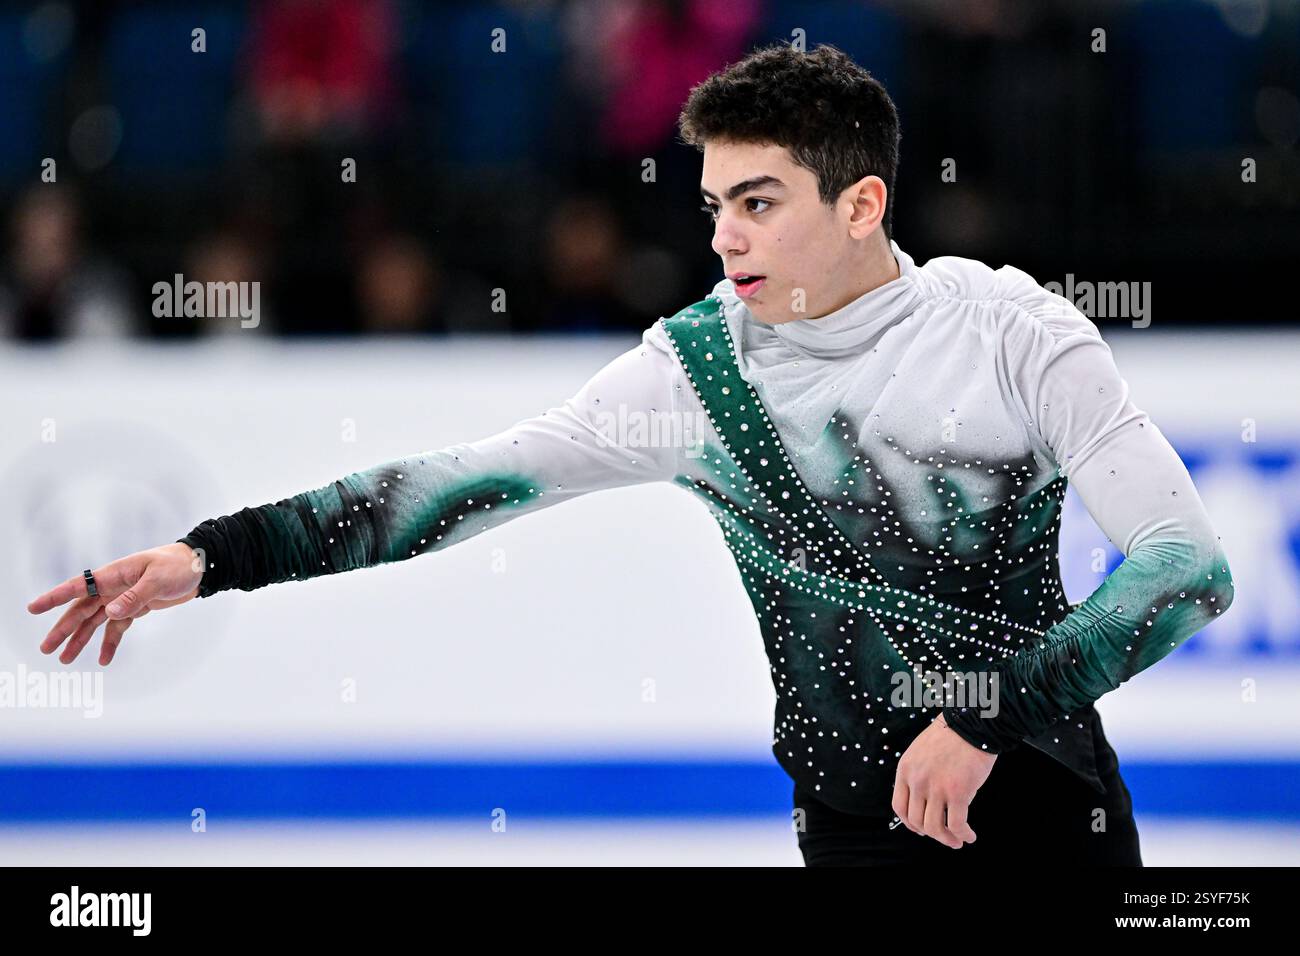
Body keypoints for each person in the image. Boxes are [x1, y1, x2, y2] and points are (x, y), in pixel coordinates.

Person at [27, 43, 1234, 866]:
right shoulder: (689, 375)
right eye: (713, 204)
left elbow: (1185, 567)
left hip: (1049, 815)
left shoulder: (1010, 331)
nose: (722, 237)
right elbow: (452, 487)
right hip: (855, 836)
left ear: (861, 205)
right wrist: (215, 554)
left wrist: (982, 716)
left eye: (758, 202)